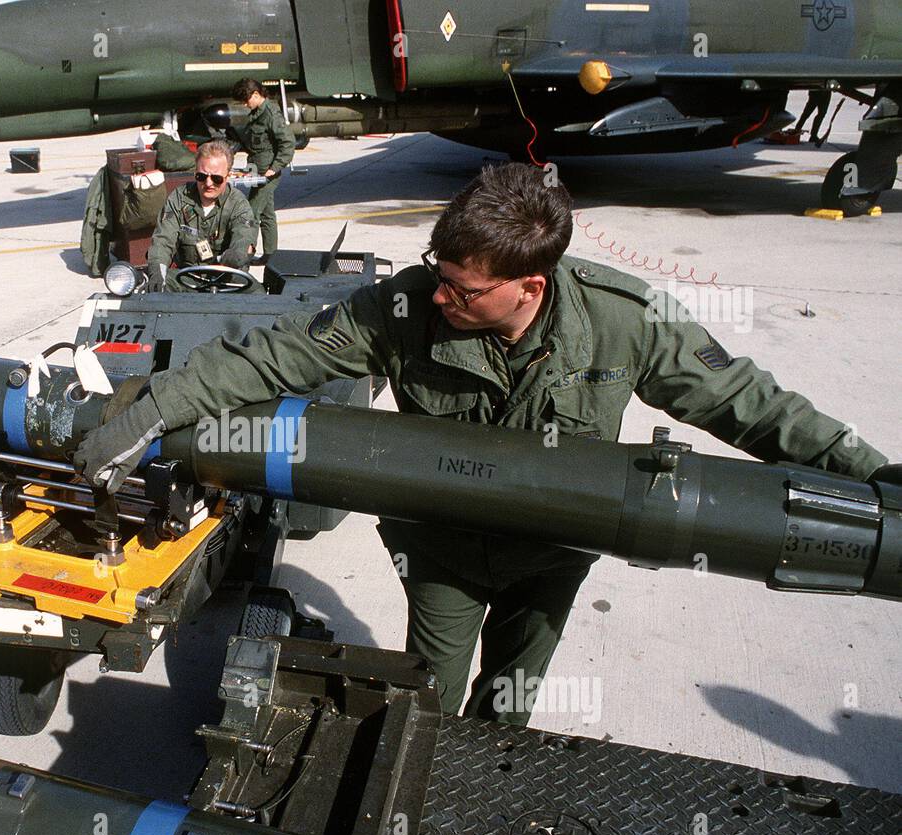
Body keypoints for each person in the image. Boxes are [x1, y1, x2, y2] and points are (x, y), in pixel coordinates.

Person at [77, 162, 898, 724]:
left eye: (462, 288)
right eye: (438, 270)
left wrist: (875, 479)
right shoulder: (405, 308)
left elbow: (755, 406)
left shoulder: (622, 320)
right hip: (443, 553)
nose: (441, 294)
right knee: (428, 699)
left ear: (528, 285)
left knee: (510, 706)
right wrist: (155, 407)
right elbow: (276, 355)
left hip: (552, 555)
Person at [145, 139, 258, 293]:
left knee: (261, 298)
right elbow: (163, 240)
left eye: (216, 178)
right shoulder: (178, 198)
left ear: (228, 175)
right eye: (201, 177)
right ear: (195, 173)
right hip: (188, 280)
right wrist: (158, 273)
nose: (209, 183)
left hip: (228, 280)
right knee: (152, 287)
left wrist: (227, 259)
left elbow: (244, 241)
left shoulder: (238, 205)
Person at [233, 78, 295, 264]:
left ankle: (245, 253)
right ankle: (271, 256)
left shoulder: (271, 114)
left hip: (268, 173)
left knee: (251, 212)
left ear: (256, 94)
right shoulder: (257, 113)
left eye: (246, 100)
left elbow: (288, 143)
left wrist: (274, 168)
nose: (245, 105)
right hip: (258, 172)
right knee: (267, 214)